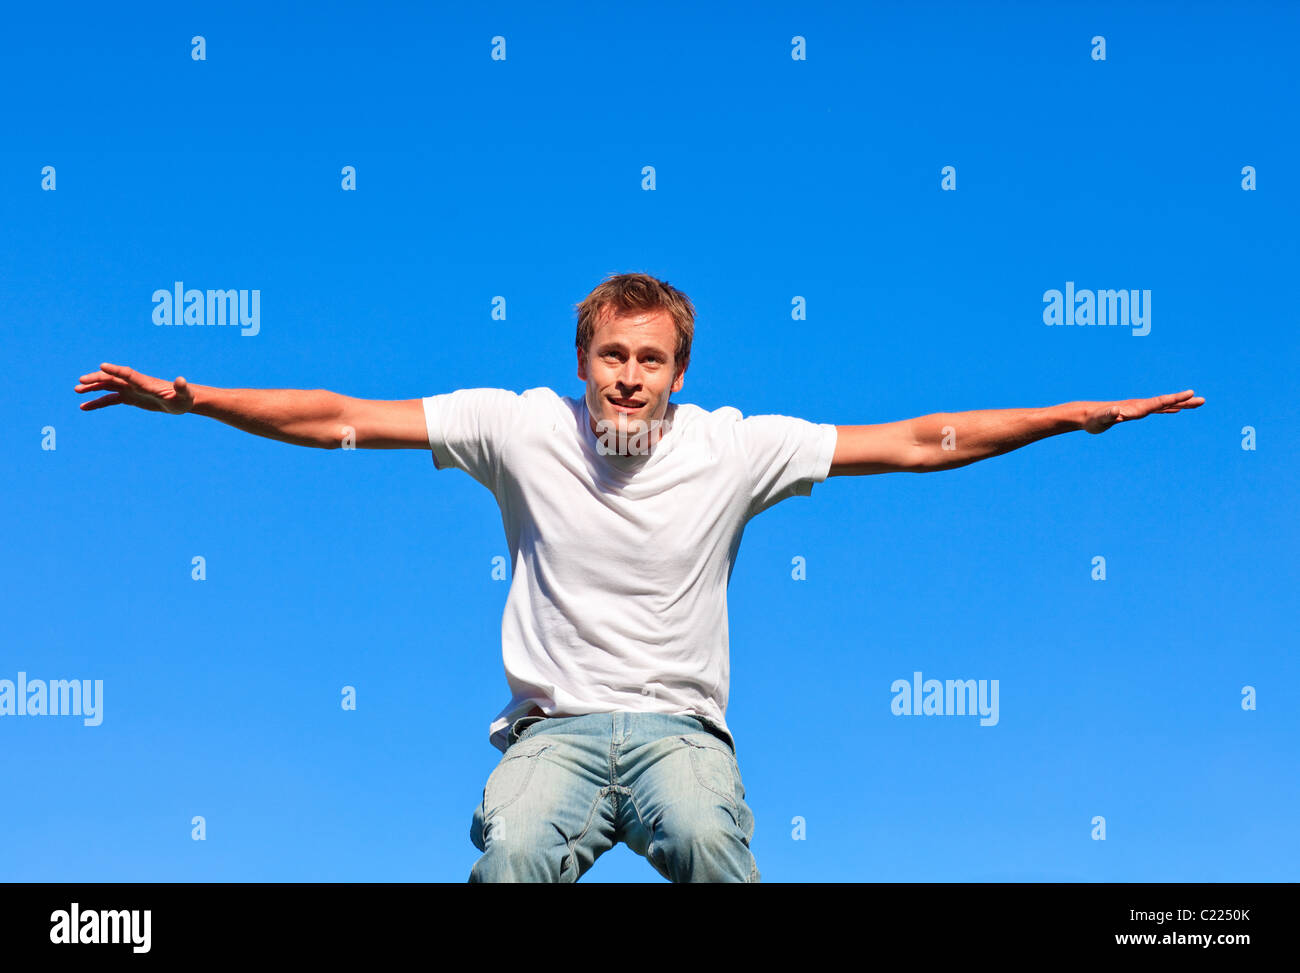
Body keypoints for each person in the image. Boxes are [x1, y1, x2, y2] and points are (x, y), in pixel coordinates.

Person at [74, 272, 1205, 882]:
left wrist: (1065, 417)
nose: (628, 377)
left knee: (715, 847)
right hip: (552, 734)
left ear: (679, 372)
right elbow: (339, 418)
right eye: (610, 356)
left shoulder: (735, 447)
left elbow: (919, 438)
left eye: (649, 360)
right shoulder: (516, 429)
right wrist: (202, 400)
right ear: (581, 364)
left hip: (678, 734)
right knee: (512, 852)